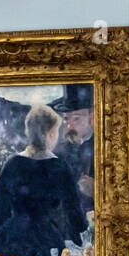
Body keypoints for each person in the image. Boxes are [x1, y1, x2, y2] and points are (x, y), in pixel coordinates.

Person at [0, 104, 88, 256]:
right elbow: (73, 211)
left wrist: (6, 231)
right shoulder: (59, 167)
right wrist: (80, 230)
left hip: (13, 239)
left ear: (28, 131)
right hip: (47, 239)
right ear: (50, 133)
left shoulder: (13, 164)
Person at [54, 84, 94, 213]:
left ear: (92, 117)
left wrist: (97, 191)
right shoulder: (60, 152)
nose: (69, 125)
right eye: (66, 119)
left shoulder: (106, 147)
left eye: (76, 118)